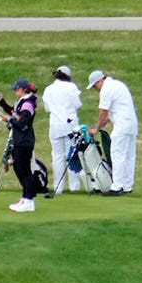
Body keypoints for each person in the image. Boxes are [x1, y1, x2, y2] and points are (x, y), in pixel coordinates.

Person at [0, 79, 47, 212]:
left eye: (16, 89)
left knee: (24, 170)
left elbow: (22, 122)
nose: (15, 91)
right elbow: (14, 112)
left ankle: (29, 200)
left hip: (24, 141)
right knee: (19, 169)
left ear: (23, 89)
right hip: (20, 140)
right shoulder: (23, 101)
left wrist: (9, 120)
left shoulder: (28, 103)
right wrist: (1, 102)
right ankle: (26, 198)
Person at [90, 68, 139, 194]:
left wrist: (96, 128)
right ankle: (127, 186)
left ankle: (117, 187)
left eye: (95, 86)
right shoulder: (118, 85)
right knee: (129, 155)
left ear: (100, 81)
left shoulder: (106, 89)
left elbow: (103, 112)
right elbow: (108, 116)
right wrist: (99, 127)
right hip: (131, 123)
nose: (96, 89)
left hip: (122, 125)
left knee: (117, 154)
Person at [42, 65, 85, 196]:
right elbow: (77, 104)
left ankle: (58, 187)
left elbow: (47, 108)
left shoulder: (48, 89)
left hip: (55, 125)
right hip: (70, 125)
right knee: (71, 155)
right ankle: (74, 187)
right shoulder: (71, 87)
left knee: (57, 157)